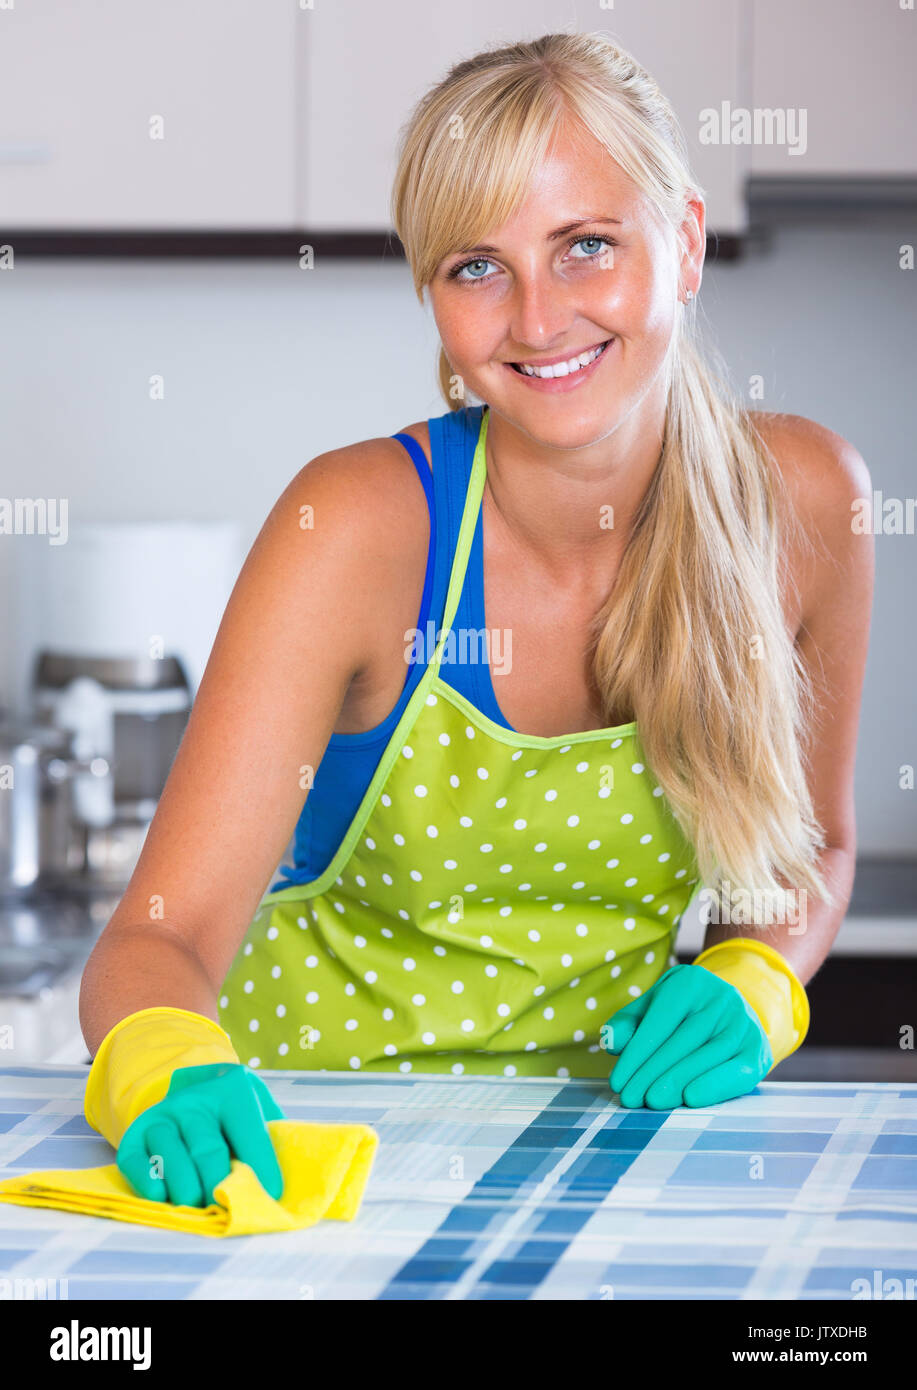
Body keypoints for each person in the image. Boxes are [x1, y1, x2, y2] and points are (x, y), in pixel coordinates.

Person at [79, 32, 874, 1207]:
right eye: (474, 266)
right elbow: (156, 938)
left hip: (602, 1174)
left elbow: (807, 852)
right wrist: (165, 1068)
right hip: (303, 1172)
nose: (536, 317)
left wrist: (760, 972)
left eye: (586, 246)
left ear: (686, 242)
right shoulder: (354, 529)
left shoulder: (803, 503)